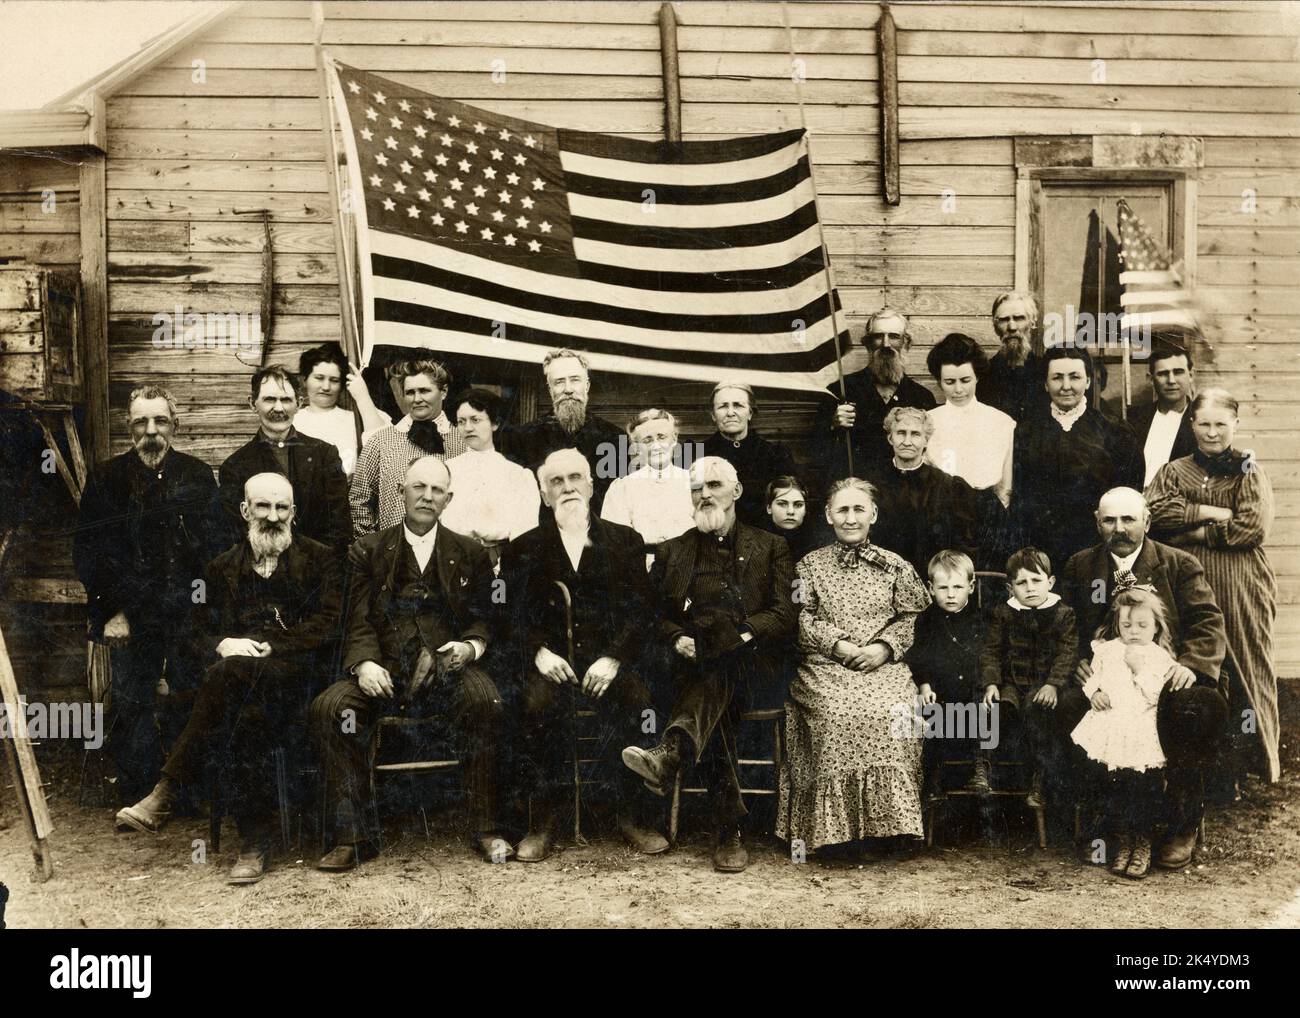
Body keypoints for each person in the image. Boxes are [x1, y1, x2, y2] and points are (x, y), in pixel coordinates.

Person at [113, 473, 343, 885]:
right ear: (244, 511)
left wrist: (272, 645)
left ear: (294, 513)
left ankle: (169, 789)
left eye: (281, 508)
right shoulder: (217, 569)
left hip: (300, 684)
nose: (272, 517)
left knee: (229, 681)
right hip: (242, 690)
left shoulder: (321, 559)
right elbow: (192, 631)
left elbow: (330, 623)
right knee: (241, 707)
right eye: (262, 507)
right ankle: (253, 844)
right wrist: (222, 643)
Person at [312, 456, 509, 869]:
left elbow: (486, 616)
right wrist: (364, 664)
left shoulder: (471, 552)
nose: (427, 496)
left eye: (437, 490)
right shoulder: (367, 551)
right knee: (335, 709)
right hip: (383, 674)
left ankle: (487, 828)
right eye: (419, 487)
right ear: (401, 492)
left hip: (446, 672)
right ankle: (353, 837)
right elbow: (357, 617)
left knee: (485, 701)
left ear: (449, 499)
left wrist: (470, 646)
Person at [621, 456, 796, 872]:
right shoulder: (673, 549)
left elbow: (785, 610)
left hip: (753, 664)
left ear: (736, 492)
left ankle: (671, 750)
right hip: (690, 667)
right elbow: (648, 615)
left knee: (723, 663)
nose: (705, 494)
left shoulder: (771, 546)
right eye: (697, 488)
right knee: (716, 693)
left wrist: (744, 634)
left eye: (714, 485)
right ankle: (728, 830)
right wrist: (675, 637)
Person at [501, 448, 668, 861]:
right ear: (543, 494)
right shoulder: (522, 547)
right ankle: (543, 821)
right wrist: (538, 652)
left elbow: (642, 611)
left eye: (576, 478)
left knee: (638, 700)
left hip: (608, 665)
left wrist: (613, 658)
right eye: (556, 482)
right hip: (552, 665)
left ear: (592, 486)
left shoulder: (624, 541)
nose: (567, 488)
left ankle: (630, 817)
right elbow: (505, 613)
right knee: (534, 704)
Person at [1057, 487, 1228, 871]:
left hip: (1169, 675)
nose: (1120, 529)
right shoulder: (1081, 567)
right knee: (1070, 705)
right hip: (1108, 674)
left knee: (1192, 710)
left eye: (1129, 519)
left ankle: (1181, 825)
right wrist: (1077, 664)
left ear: (1147, 521)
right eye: (1110, 520)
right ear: (1097, 523)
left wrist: (1190, 664)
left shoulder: (1178, 564)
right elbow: (1065, 625)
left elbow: (1207, 621)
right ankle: (1104, 827)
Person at [73, 385, 224, 803]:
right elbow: (88, 553)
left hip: (184, 611)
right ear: (129, 427)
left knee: (188, 693)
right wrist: (112, 611)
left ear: (175, 425)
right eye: (141, 422)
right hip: (129, 611)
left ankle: (184, 788)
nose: (151, 431)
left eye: (159, 421)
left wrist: (202, 608)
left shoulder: (196, 476)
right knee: (131, 699)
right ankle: (138, 789)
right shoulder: (106, 479)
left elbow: (213, 548)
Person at [775, 477, 931, 855]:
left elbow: (913, 617)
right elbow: (800, 616)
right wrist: (839, 645)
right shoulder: (808, 566)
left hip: (882, 664)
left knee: (893, 710)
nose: (850, 518)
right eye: (842, 510)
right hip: (826, 664)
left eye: (858, 509)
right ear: (828, 515)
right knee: (836, 712)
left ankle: (891, 830)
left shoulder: (895, 566)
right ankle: (830, 834)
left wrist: (884, 647)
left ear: (873, 514)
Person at [1146, 389, 1279, 785]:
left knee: (1245, 665)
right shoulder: (1173, 470)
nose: (1212, 432)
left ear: (1235, 425)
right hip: (1189, 584)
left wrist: (1194, 534)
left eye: (1221, 423)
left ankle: (1253, 763)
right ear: (1191, 425)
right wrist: (1209, 512)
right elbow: (1156, 512)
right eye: (1203, 423)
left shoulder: (1248, 471)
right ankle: (1204, 770)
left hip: (1241, 582)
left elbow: (1252, 526)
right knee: (1198, 665)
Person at [1070, 588, 1178, 880]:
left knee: (1142, 788)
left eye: (1142, 626)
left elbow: (1157, 695)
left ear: (1156, 626)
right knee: (1113, 786)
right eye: (1126, 625)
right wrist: (1095, 693)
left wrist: (1139, 669)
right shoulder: (1107, 649)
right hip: (1110, 726)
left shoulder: (1159, 657)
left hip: (1141, 730)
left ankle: (1142, 843)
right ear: (1117, 624)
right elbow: (1091, 678)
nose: (1133, 632)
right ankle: (1122, 843)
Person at [1012, 345, 1143, 571]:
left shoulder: (1115, 431)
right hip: (1042, 552)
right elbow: (1020, 497)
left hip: (1097, 549)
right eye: (1057, 377)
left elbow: (1129, 494)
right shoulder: (1026, 433)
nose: (1066, 386)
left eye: (1074, 377)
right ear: (1045, 383)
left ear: (1089, 381)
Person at [978, 548, 1078, 810]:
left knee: (1040, 714)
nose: (1030, 588)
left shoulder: (1063, 613)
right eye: (1022, 583)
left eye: (1036, 580)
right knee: (992, 709)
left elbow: (1067, 652)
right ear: (1011, 588)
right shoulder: (1004, 612)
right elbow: (991, 650)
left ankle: (1040, 781)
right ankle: (983, 768)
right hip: (1011, 683)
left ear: (1051, 582)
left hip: (1042, 684)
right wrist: (991, 683)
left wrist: (1053, 684)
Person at [219, 365, 351, 552]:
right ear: (252, 403)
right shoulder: (235, 467)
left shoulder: (324, 455)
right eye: (270, 399)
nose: (279, 408)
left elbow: (339, 527)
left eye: (286, 400)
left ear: (299, 403)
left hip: (318, 569)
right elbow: (236, 534)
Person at [813, 308, 936, 485]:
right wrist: (833, 424)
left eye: (894, 336)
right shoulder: (840, 391)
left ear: (906, 343)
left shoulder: (922, 397)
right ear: (868, 343)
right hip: (857, 494)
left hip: (905, 493)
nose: (886, 344)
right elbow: (817, 449)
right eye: (878, 336)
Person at [349, 357, 467, 537]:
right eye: (410, 392)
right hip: (392, 556)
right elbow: (359, 501)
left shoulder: (463, 442)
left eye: (424, 391)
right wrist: (374, 550)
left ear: (443, 392)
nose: (417, 399)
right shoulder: (381, 441)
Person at [907, 550, 990, 798]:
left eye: (957, 587)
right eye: (943, 588)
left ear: (971, 586)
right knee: (930, 714)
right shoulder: (926, 621)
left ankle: (980, 766)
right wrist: (924, 686)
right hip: (940, 688)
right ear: (931, 588)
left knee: (983, 710)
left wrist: (989, 684)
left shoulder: (982, 619)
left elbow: (990, 657)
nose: (951, 594)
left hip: (973, 687)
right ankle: (933, 775)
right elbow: (919, 657)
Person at [498, 349, 623, 514]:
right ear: (550, 390)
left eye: (575, 380)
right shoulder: (521, 439)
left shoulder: (614, 438)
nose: (568, 389)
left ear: (587, 386)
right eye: (559, 382)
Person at [868, 406, 983, 575]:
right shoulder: (872, 485)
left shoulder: (947, 486)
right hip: (881, 575)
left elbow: (964, 543)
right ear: (890, 438)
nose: (907, 441)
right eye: (901, 433)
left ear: (926, 440)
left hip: (932, 578)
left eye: (915, 434)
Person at [439, 388, 540, 568]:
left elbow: (524, 535)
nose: (468, 428)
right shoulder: (446, 471)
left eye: (475, 420)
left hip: (499, 563)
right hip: (452, 564)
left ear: (494, 423)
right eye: (461, 422)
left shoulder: (517, 475)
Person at [925, 332, 1015, 508]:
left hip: (988, 511)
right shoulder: (928, 421)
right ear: (939, 382)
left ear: (977, 378)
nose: (958, 389)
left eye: (965, 380)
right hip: (941, 511)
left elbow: (1006, 486)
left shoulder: (1001, 422)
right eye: (950, 382)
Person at [600, 408, 695, 561]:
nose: (656, 446)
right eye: (647, 440)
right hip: (640, 572)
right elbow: (613, 541)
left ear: (674, 438)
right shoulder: (622, 489)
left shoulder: (692, 482)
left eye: (661, 437)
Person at [701, 382, 796, 528]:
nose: (730, 412)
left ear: (750, 413)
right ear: (713, 415)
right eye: (723, 406)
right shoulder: (695, 451)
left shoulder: (776, 454)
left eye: (738, 405)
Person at [292, 343, 392, 476]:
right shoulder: (293, 420)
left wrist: (362, 396)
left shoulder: (354, 419)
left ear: (342, 385)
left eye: (334, 380)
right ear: (305, 380)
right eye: (319, 378)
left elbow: (385, 447)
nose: (326, 387)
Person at [1133, 337, 1199, 488]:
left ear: (1191, 375)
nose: (1171, 380)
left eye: (1178, 372)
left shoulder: (1201, 421)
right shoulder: (1135, 418)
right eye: (1163, 374)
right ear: (1151, 379)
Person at [981, 291, 1044, 424]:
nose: (1012, 327)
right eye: (1004, 320)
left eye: (1019, 318)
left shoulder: (1045, 371)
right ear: (995, 327)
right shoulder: (983, 375)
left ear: (1032, 323)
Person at [762, 475, 823, 564]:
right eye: (782, 504)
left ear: (805, 509)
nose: (790, 511)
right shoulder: (757, 544)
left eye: (798, 505)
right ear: (769, 508)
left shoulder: (817, 544)